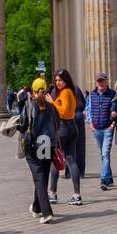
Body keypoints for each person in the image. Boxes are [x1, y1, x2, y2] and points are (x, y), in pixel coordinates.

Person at [45, 69, 83, 206]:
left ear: (66, 80)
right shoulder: (70, 91)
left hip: (64, 128)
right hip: (72, 127)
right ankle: (76, 195)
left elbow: (63, 111)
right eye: (56, 80)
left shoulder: (66, 92)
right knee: (71, 160)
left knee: (56, 160)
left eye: (60, 80)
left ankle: (52, 193)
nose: (57, 83)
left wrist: (51, 102)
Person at [22, 79, 59, 223]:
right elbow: (57, 123)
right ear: (46, 90)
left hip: (33, 146)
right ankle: (37, 208)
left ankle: (46, 212)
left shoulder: (29, 105)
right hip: (48, 144)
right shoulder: (52, 107)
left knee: (39, 178)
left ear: (33, 91)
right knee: (42, 176)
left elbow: (23, 124)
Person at [88, 73, 117, 189]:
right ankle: (109, 178)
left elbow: (116, 109)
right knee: (102, 154)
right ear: (96, 82)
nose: (100, 83)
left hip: (107, 128)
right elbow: (88, 109)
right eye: (98, 81)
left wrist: (113, 124)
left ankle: (104, 180)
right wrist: (90, 124)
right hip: (96, 128)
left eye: (102, 81)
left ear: (106, 82)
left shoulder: (113, 95)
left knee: (105, 153)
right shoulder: (91, 95)